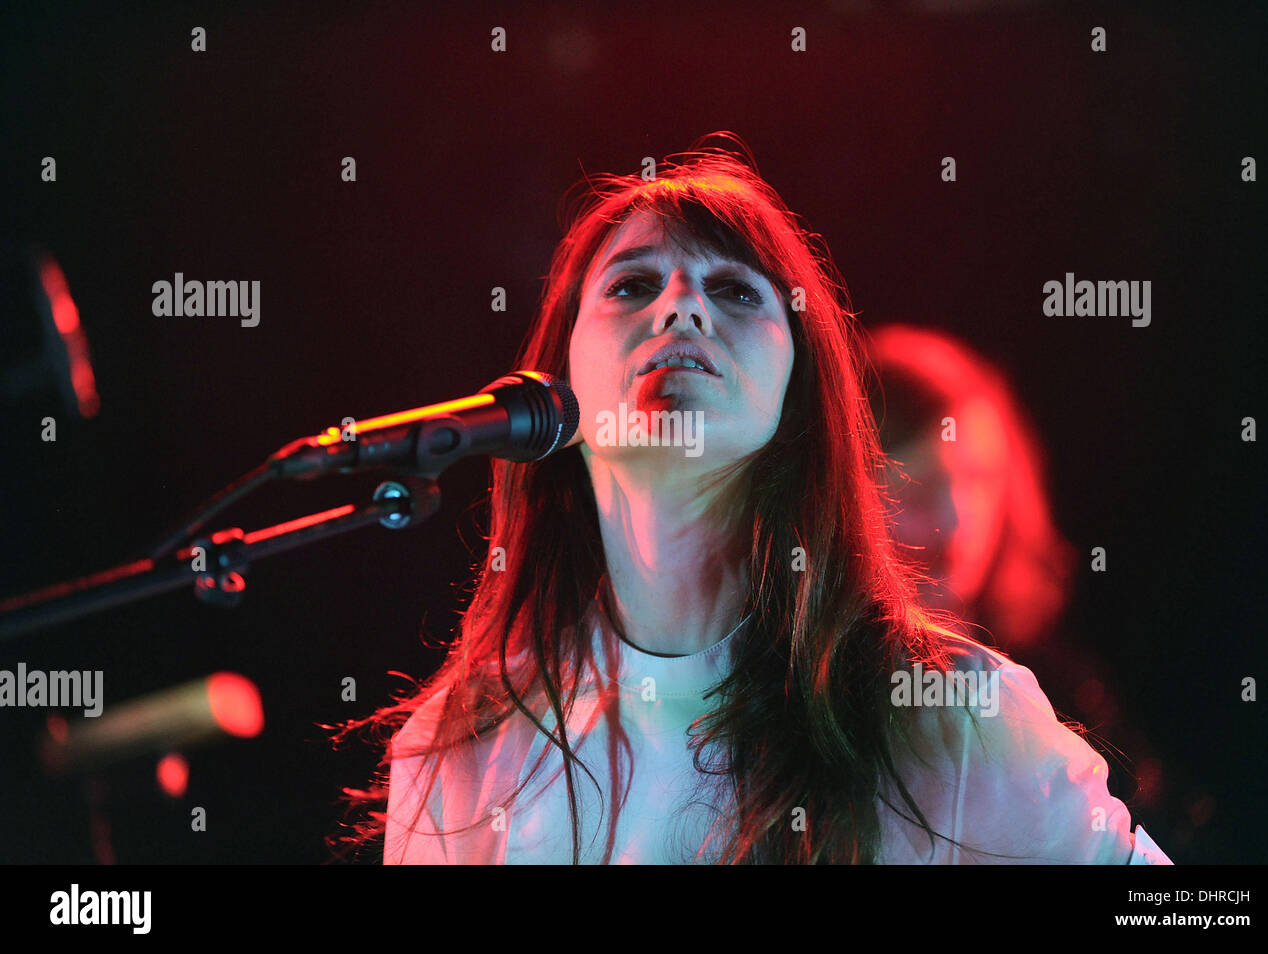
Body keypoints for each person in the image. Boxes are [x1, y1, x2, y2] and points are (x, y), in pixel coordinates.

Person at [334, 133, 1173, 865]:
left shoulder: (944, 717)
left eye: (735, 290)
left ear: (797, 393)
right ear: (557, 386)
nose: (681, 306)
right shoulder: (465, 747)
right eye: (631, 285)